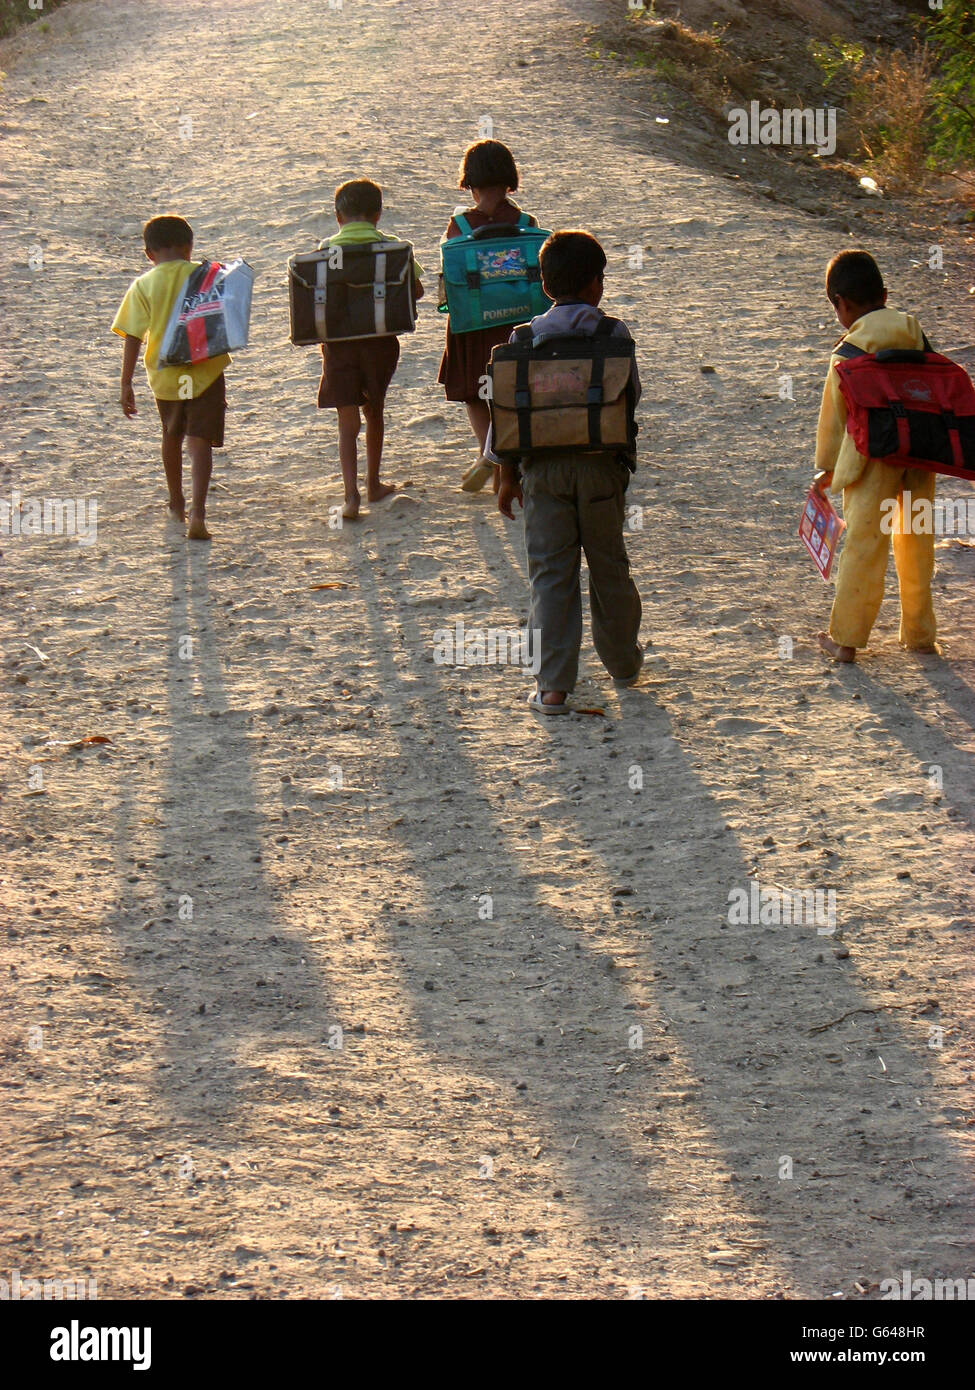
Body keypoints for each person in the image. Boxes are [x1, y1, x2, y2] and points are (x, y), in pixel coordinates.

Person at [492, 230, 644, 712]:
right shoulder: (613, 335)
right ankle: (623, 664)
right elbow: (631, 397)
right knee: (608, 567)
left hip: (544, 473)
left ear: (543, 283)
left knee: (550, 576)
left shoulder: (523, 338)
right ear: (597, 284)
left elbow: (507, 413)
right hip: (601, 469)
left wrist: (506, 473)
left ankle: (553, 687)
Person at [814, 250, 938, 662]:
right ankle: (919, 635)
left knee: (864, 547)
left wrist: (828, 469)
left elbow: (834, 422)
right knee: (917, 543)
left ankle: (846, 640)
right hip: (919, 455)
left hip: (871, 462)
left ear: (840, 304)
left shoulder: (847, 352)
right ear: (884, 294)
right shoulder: (914, 333)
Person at [112, 214, 229, 541]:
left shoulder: (143, 285)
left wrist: (126, 382)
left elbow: (133, 336)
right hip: (205, 371)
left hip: (166, 375)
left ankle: (176, 503)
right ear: (190, 247)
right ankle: (199, 513)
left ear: (149, 253)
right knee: (200, 440)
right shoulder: (207, 277)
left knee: (171, 435)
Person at [318, 179, 424, 520]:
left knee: (346, 420)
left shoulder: (327, 250)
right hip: (379, 345)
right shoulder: (392, 247)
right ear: (378, 214)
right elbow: (417, 290)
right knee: (373, 411)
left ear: (338, 217)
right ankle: (374, 483)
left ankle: (351, 497)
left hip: (339, 346)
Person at [437, 140, 539, 494]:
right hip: (517, 324)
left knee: (475, 394)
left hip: (473, 325)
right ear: (510, 179)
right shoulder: (526, 224)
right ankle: (503, 460)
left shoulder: (460, 226)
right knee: (513, 392)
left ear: (470, 181)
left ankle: (487, 454)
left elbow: (449, 283)